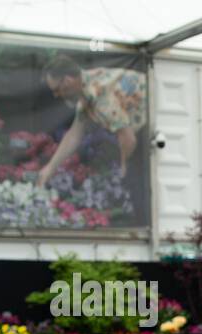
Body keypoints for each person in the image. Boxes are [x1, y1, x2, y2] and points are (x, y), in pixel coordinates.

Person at [38, 54, 148, 220]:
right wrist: (50, 168)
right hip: (143, 130)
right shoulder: (87, 91)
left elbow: (128, 139)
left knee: (136, 188)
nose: (56, 95)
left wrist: (124, 167)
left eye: (56, 90)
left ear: (67, 81)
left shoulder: (100, 95)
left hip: (153, 129)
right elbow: (74, 134)